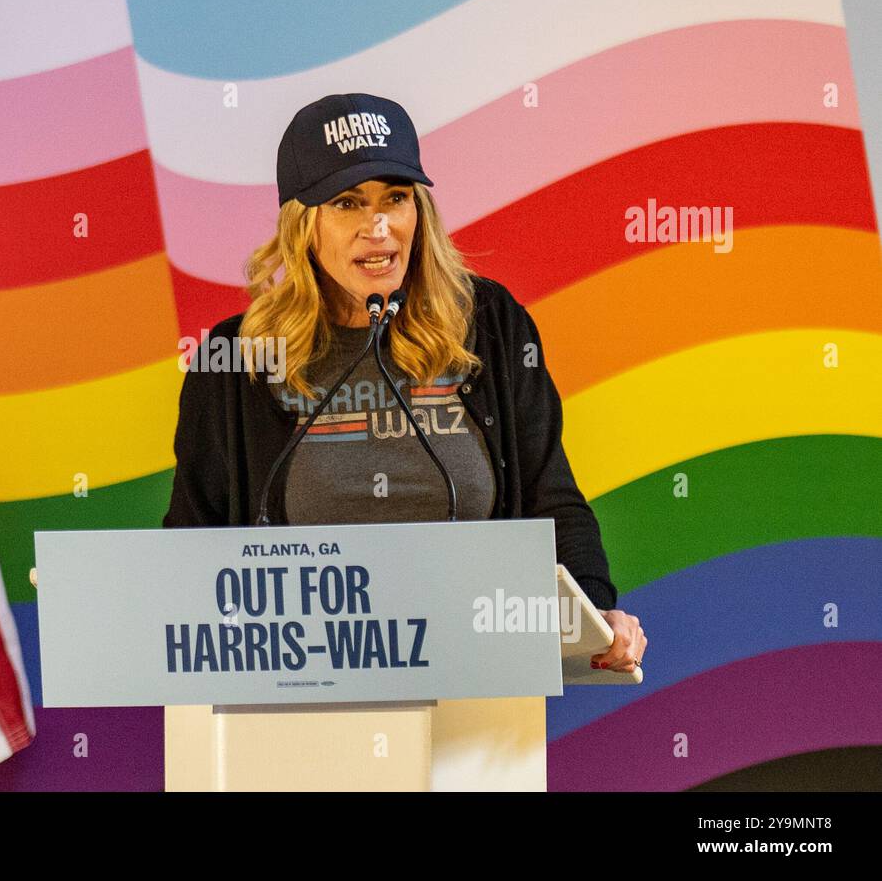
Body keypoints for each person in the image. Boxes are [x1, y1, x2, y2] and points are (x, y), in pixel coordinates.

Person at [163, 93, 646, 674]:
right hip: (298, 692)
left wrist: (595, 614)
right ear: (302, 223)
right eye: (348, 203)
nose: (380, 226)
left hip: (478, 681)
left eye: (396, 198)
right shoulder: (236, 358)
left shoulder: (490, 325)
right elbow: (192, 549)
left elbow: (552, 498)